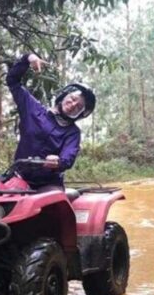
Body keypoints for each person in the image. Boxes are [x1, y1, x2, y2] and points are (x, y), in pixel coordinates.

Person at [6, 53, 96, 192]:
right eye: (72, 99)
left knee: (52, 205)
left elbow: (68, 158)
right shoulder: (33, 109)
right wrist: (28, 58)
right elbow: (13, 81)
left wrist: (58, 162)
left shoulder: (73, 133)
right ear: (64, 95)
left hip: (48, 185)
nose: (73, 105)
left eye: (78, 107)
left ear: (80, 114)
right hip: (18, 177)